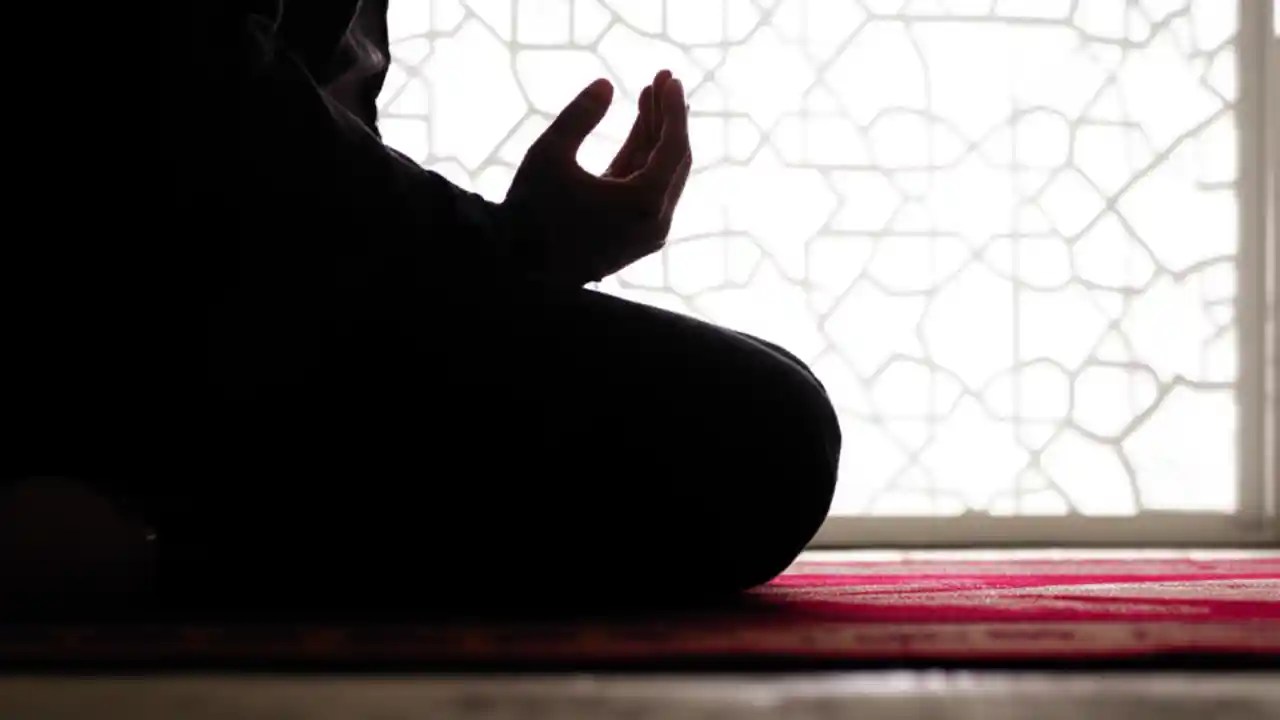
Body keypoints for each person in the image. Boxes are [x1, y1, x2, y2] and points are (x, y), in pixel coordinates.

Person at [1, 0, 840, 616]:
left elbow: (305, 149)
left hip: (258, 309)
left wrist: (516, 251)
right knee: (766, 434)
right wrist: (520, 246)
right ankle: (127, 541)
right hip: (130, 314)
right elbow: (203, 117)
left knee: (778, 403)